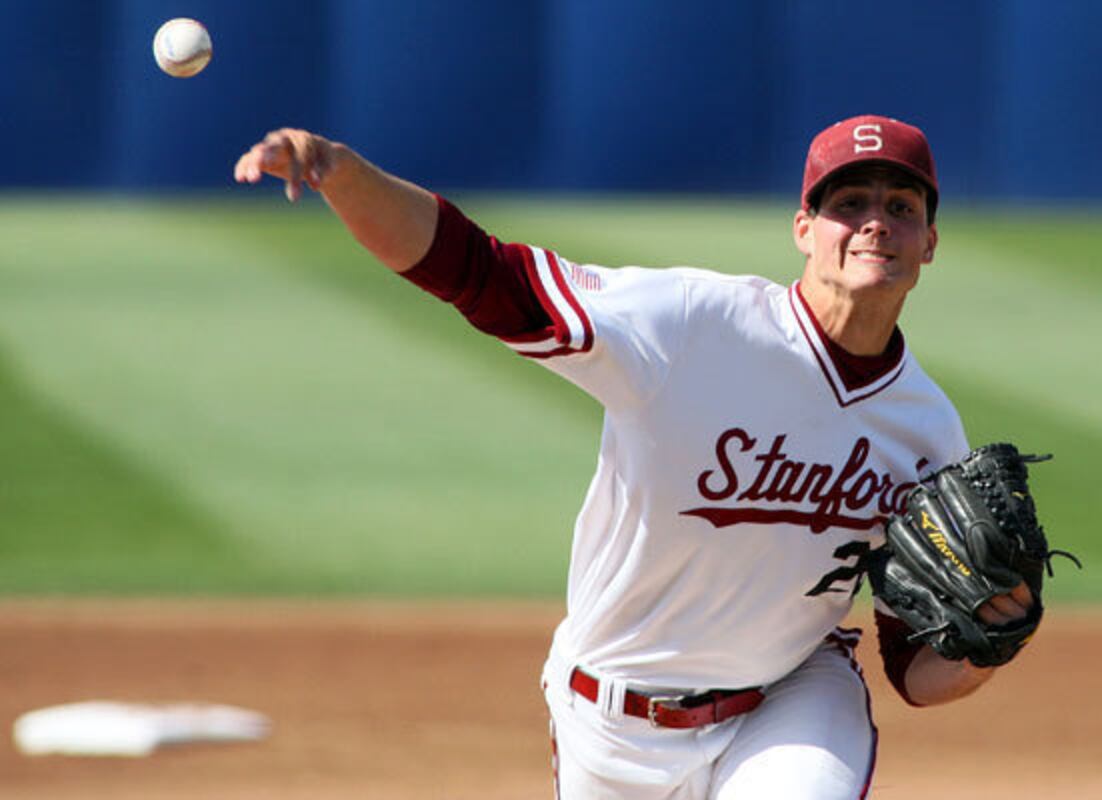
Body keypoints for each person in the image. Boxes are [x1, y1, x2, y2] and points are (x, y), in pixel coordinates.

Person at [234, 114, 1035, 799]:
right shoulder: (688, 324)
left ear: (930, 241)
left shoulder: (926, 428)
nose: (874, 223)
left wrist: (995, 638)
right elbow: (482, 273)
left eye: (901, 206)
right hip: (609, 716)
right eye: (848, 203)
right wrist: (341, 172)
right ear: (803, 229)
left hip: (792, 699)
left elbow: (912, 668)